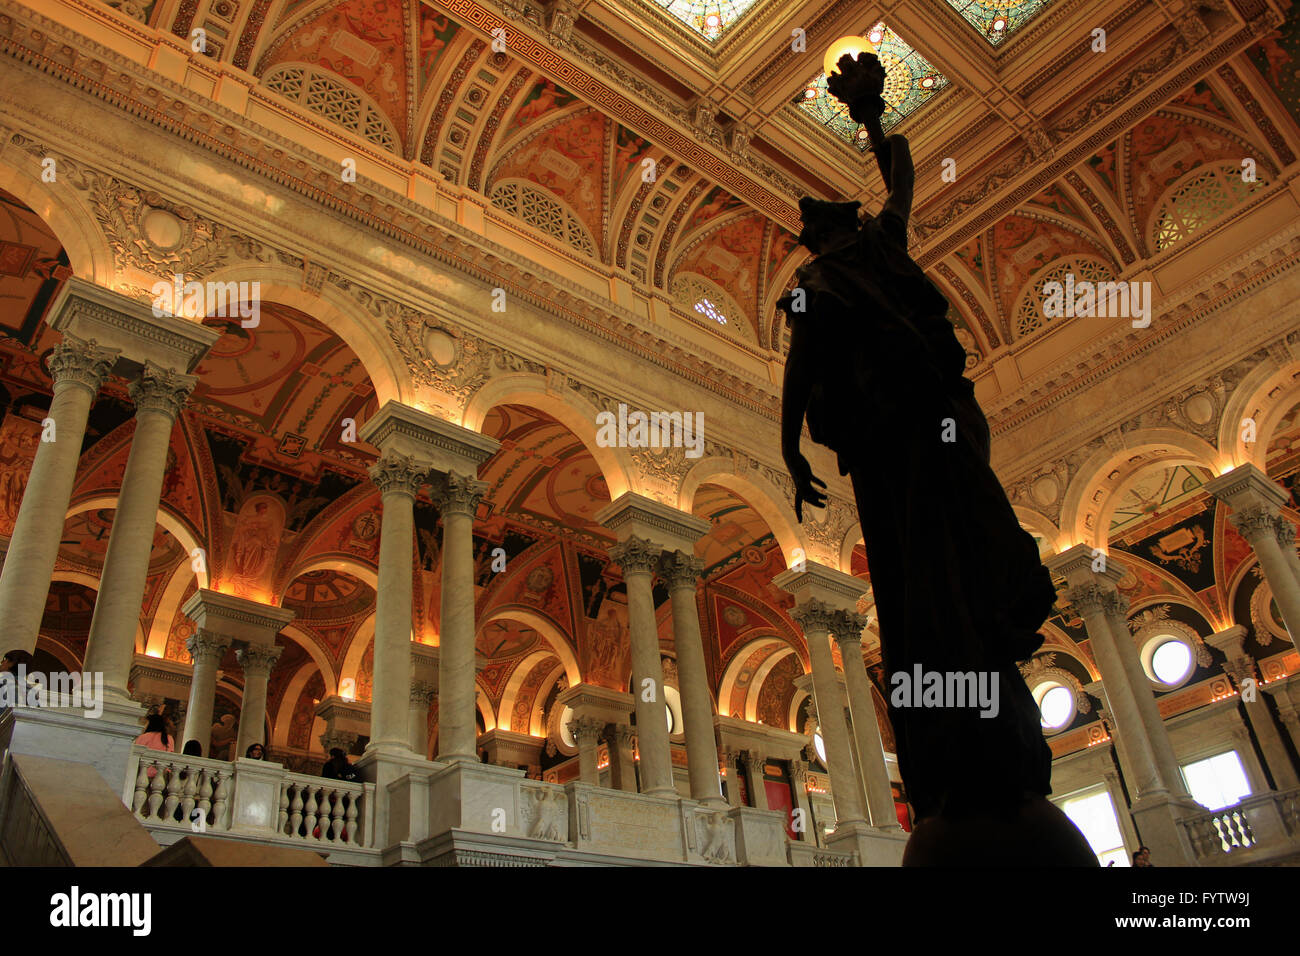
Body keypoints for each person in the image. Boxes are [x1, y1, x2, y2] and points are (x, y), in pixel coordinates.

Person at [780, 52, 1092, 865]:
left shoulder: (832, 269)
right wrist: (870, 119)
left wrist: (790, 449)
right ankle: (988, 623)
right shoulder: (866, 252)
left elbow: (799, 374)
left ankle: (983, 633)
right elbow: (904, 179)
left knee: (931, 575)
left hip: (910, 439)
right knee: (945, 567)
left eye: (810, 227)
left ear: (821, 230)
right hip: (928, 430)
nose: (810, 236)